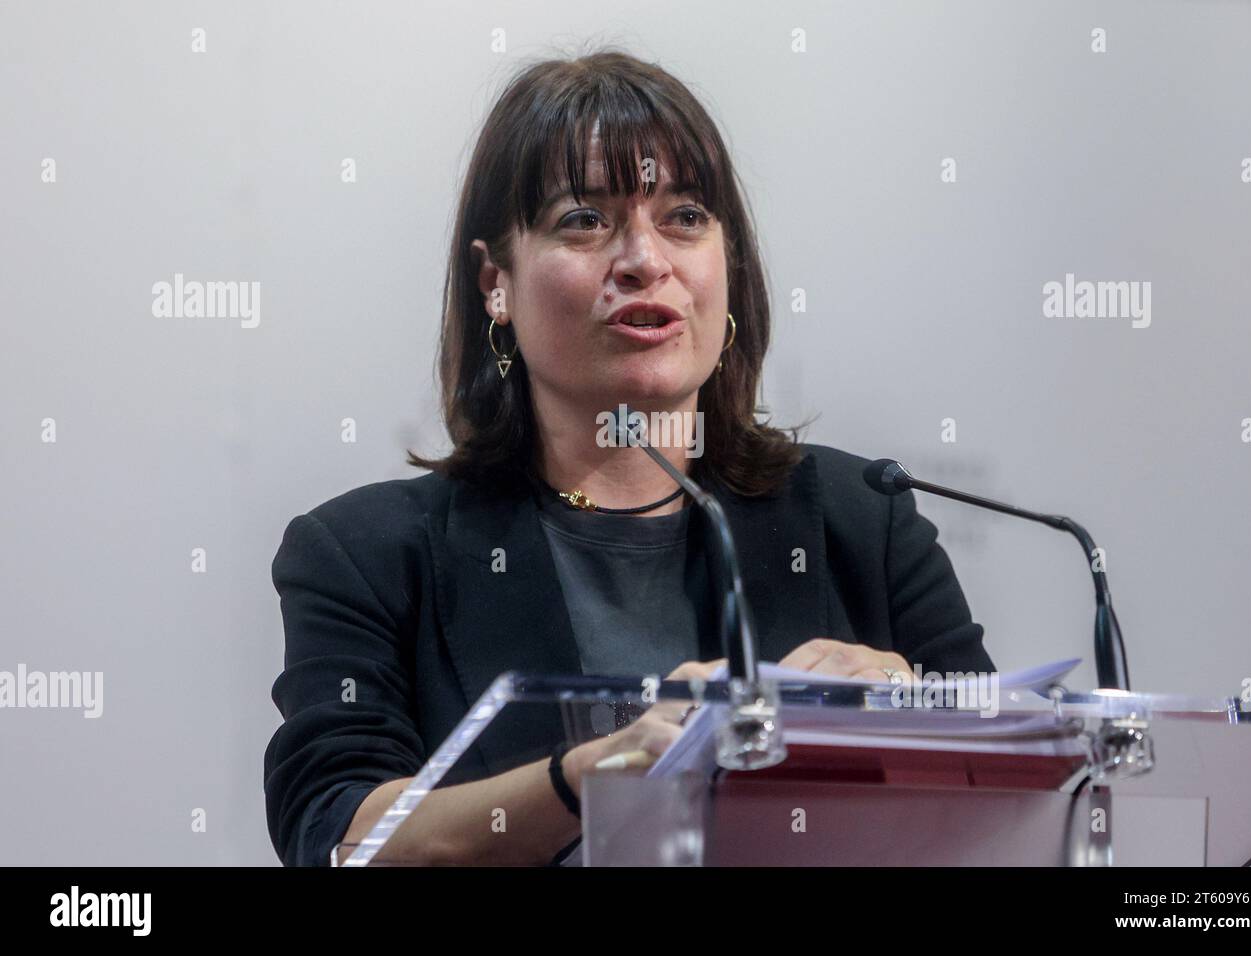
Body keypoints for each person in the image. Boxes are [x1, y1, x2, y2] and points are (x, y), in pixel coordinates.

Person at [263, 48, 994, 868]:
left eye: (685, 217)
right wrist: (596, 775)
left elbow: (1021, 791)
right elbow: (336, 835)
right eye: (585, 219)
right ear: (495, 280)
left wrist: (916, 714)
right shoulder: (367, 555)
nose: (646, 260)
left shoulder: (864, 517)